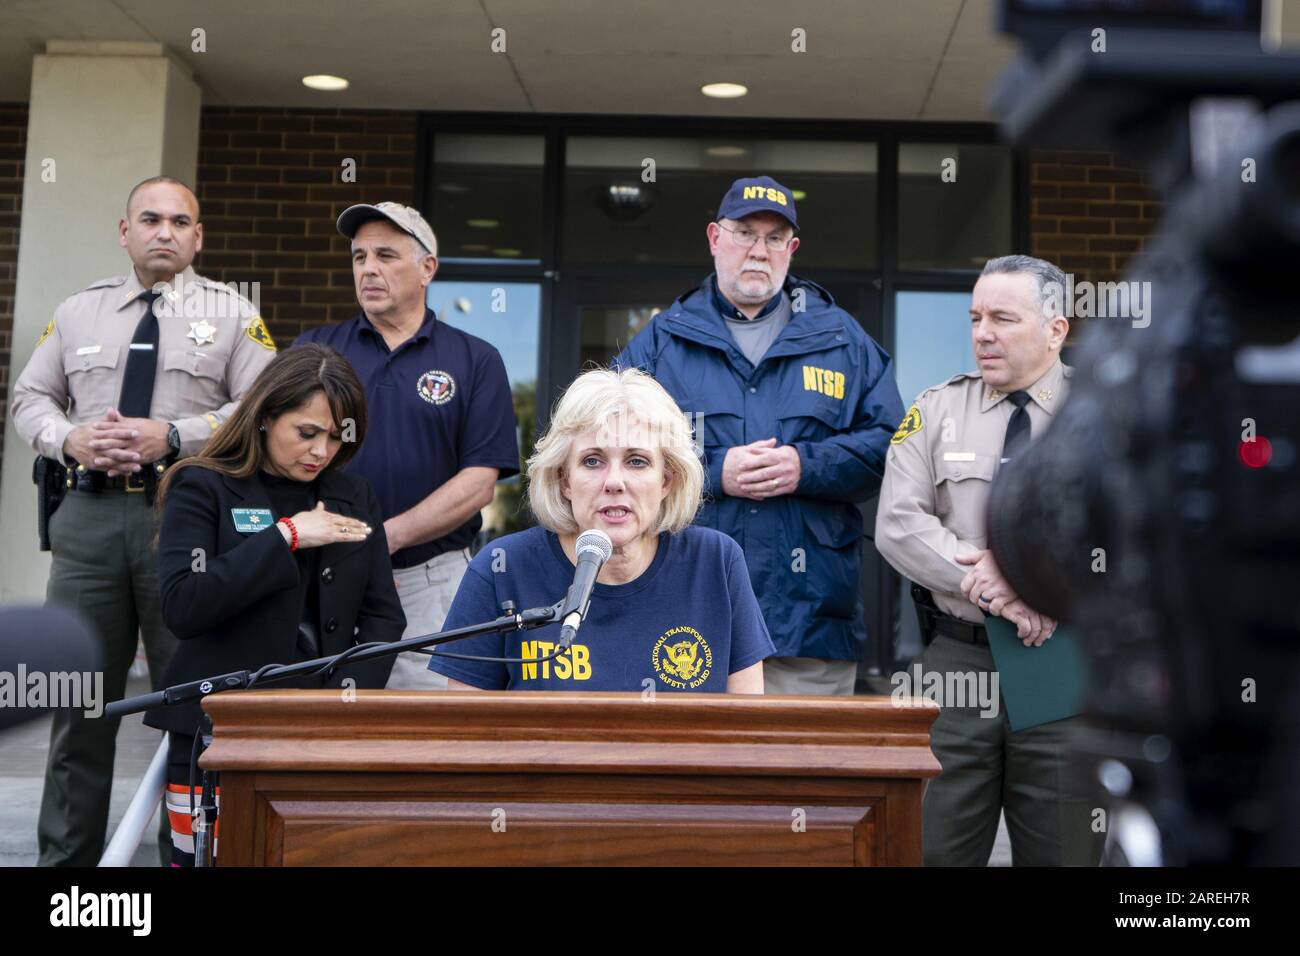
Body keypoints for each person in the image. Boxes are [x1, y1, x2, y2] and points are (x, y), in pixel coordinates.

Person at [10, 175, 277, 867]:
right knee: (79, 708)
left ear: (198, 237)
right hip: (89, 521)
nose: (165, 231)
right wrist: (66, 439)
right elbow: (31, 397)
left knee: (192, 705)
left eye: (180, 221)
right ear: (124, 232)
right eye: (150, 219)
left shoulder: (234, 314)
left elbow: (262, 408)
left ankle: (188, 859)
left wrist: (176, 435)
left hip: (182, 527)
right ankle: (66, 876)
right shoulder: (77, 312)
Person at [615, 176, 903, 695]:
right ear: (714, 238)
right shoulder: (661, 343)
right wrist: (710, 471)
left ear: (791, 249)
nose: (758, 251)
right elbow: (610, 443)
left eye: (774, 239)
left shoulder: (843, 339)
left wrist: (806, 465)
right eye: (745, 233)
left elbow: (891, 443)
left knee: (806, 771)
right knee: (690, 772)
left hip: (809, 624)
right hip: (683, 612)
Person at [875, 254, 1102, 866]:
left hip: (1066, 663)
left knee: (1066, 854)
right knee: (929, 852)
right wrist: (992, 583)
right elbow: (897, 523)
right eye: (975, 317)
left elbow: (1136, 530)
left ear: (1056, 329)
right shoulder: (938, 409)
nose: (982, 333)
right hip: (956, 661)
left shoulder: (1106, 415)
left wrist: (1038, 581)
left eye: (1003, 318)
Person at [145, 344, 405, 865]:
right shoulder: (202, 485)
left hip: (321, 729)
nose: (321, 451)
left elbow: (382, 616)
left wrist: (343, 701)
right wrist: (284, 535)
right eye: (306, 433)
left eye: (336, 437)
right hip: (219, 729)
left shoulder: (355, 496)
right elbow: (184, 604)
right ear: (265, 417)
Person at [427, 367, 773, 692]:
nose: (614, 482)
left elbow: (748, 732)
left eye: (637, 461)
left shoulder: (717, 562)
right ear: (564, 480)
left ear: (666, 481)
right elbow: (464, 734)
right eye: (592, 461)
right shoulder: (501, 567)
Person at [294, 203, 519, 690]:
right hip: (318, 575)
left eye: (387, 256)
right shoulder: (315, 352)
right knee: (317, 732)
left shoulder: (475, 359)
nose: (369, 268)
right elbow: (277, 456)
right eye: (359, 257)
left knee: (426, 738)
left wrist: (384, 539)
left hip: (428, 581)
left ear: (427, 269)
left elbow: (479, 483)